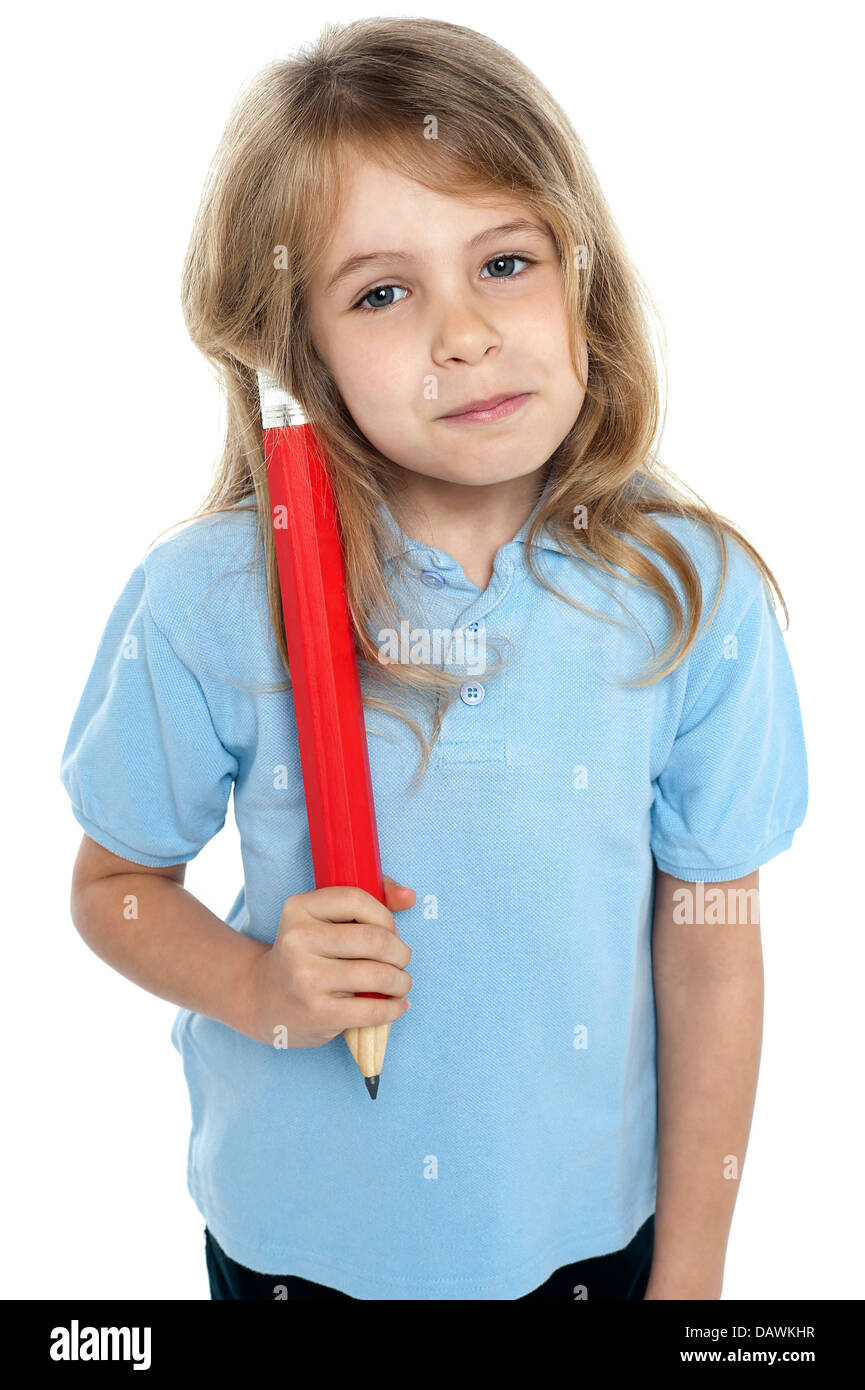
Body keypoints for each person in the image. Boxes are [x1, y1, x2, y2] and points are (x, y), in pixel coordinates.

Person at [59, 17, 808, 1301]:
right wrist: (257, 983)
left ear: (583, 277)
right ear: (298, 352)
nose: (463, 334)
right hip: (298, 1252)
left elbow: (713, 941)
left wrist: (689, 1278)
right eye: (382, 292)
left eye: (506, 261)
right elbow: (116, 884)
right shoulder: (208, 598)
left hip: (591, 1243)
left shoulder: (693, 596)